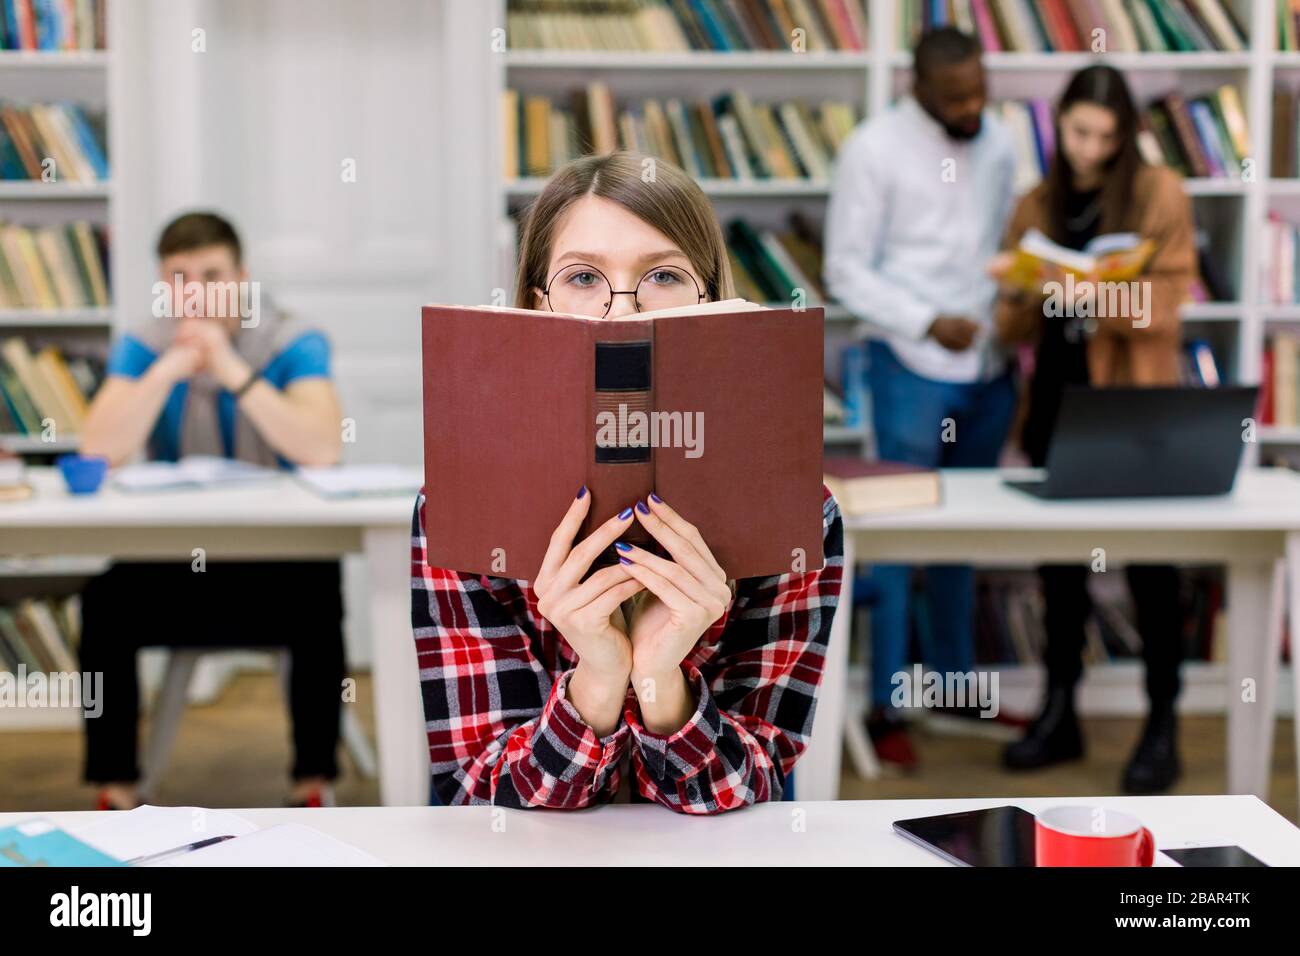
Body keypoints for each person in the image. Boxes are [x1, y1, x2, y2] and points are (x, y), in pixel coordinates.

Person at [410, 151, 845, 813]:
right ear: (538, 305)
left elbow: (756, 781)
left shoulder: (800, 516)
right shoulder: (456, 509)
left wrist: (659, 677)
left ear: (715, 301)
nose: (619, 313)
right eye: (582, 276)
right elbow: (480, 794)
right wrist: (600, 678)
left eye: (663, 275)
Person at [78, 211, 347, 809]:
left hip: (277, 567)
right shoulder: (145, 344)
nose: (194, 293)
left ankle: (312, 781)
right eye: (178, 278)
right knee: (102, 604)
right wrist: (170, 368)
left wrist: (229, 367)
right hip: (176, 568)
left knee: (318, 592)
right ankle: (115, 787)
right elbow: (98, 449)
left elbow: (321, 447)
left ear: (243, 276)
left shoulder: (289, 337)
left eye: (211, 274)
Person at [990, 65, 1197, 792]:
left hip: (1130, 406)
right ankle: (1058, 713)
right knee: (1061, 568)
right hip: (1055, 402)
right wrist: (1023, 286)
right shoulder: (1036, 201)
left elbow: (1166, 308)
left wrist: (1091, 294)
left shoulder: (1156, 191)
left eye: (1107, 136)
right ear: (1060, 123)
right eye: (1080, 131)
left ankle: (1162, 726)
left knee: (1151, 568)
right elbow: (1010, 321)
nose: (1091, 149)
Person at [824, 27, 1018, 767]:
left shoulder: (999, 143)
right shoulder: (873, 150)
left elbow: (1003, 240)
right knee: (897, 538)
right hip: (909, 361)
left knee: (967, 530)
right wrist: (927, 321)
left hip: (989, 363)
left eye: (979, 91)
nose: (971, 106)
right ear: (918, 87)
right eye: (955, 97)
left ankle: (955, 690)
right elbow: (845, 268)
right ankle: (886, 705)